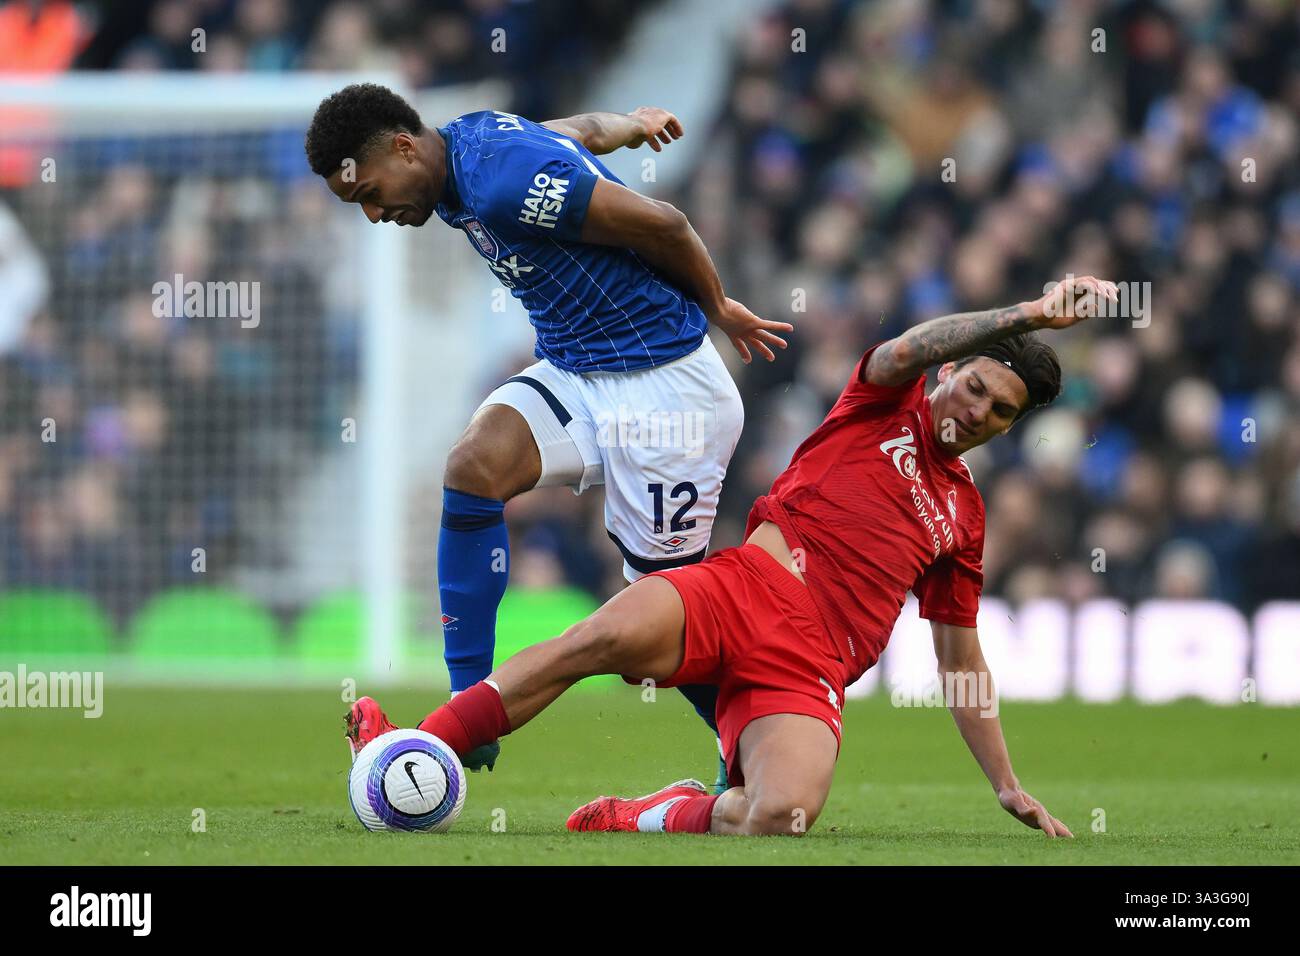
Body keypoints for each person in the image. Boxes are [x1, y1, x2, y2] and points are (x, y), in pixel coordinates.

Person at [350, 276, 1116, 837]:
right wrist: (1025, 314)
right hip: (741, 589)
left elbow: (960, 660)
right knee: (594, 641)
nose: (977, 412)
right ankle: (411, 748)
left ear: (1012, 427)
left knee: (778, 817)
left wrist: (1007, 785)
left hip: (809, 669)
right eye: (975, 386)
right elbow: (909, 346)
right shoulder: (881, 402)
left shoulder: (964, 517)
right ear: (950, 371)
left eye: (1000, 411)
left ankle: (650, 814)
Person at [306, 84, 791, 779]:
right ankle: (467, 711)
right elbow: (569, 130)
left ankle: (755, 755)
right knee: (474, 464)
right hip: (579, 371)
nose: (378, 215)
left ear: (404, 148)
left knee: (661, 619)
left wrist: (721, 308)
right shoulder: (460, 155)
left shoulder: (499, 180)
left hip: (667, 391)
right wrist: (627, 124)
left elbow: (665, 223)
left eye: (371, 195)